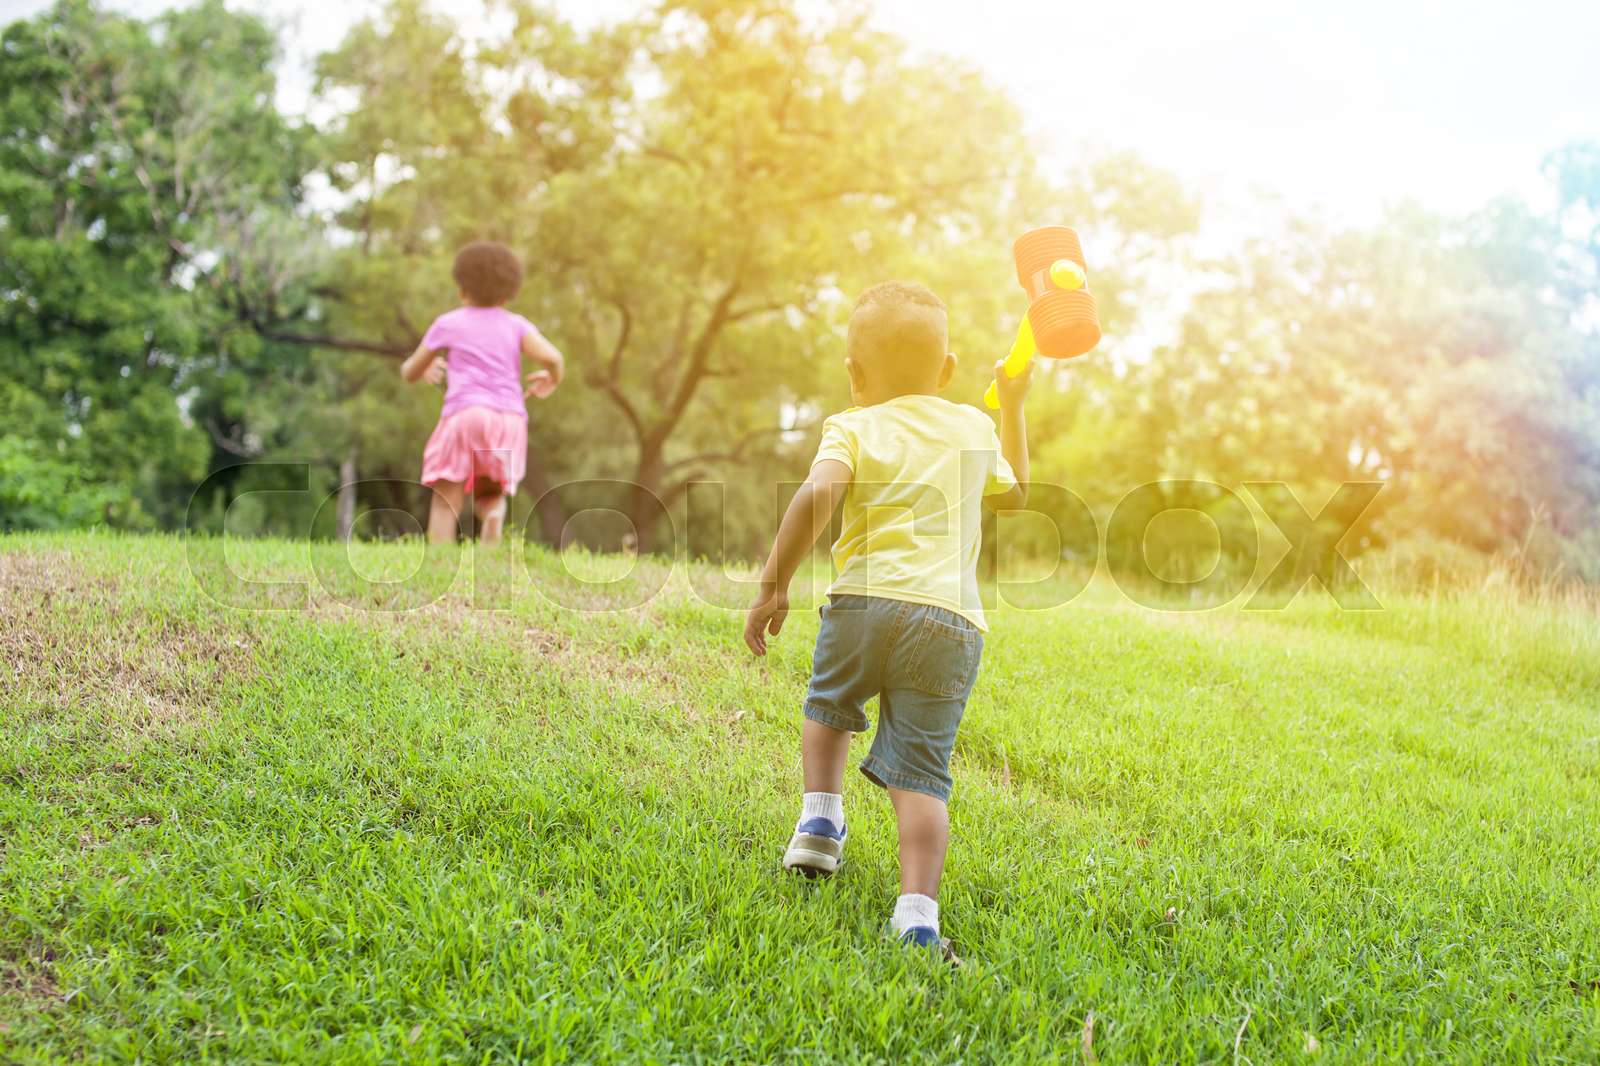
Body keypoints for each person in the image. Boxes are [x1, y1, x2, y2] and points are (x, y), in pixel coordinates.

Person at [744, 281, 1030, 961]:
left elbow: (818, 493)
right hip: (950, 624)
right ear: (948, 369)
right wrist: (1013, 407)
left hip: (862, 606)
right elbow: (1016, 495)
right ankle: (917, 916)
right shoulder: (974, 426)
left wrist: (773, 583)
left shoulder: (853, 425)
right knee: (923, 774)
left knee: (830, 706)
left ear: (855, 373)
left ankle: (819, 820)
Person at [400, 241, 565, 544]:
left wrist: (422, 368)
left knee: (445, 498)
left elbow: (410, 371)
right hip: (510, 420)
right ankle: (492, 519)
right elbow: (554, 358)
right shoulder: (517, 326)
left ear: (462, 290)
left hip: (467, 414)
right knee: (490, 494)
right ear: (507, 294)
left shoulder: (448, 323)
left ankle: (439, 561)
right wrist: (551, 379)